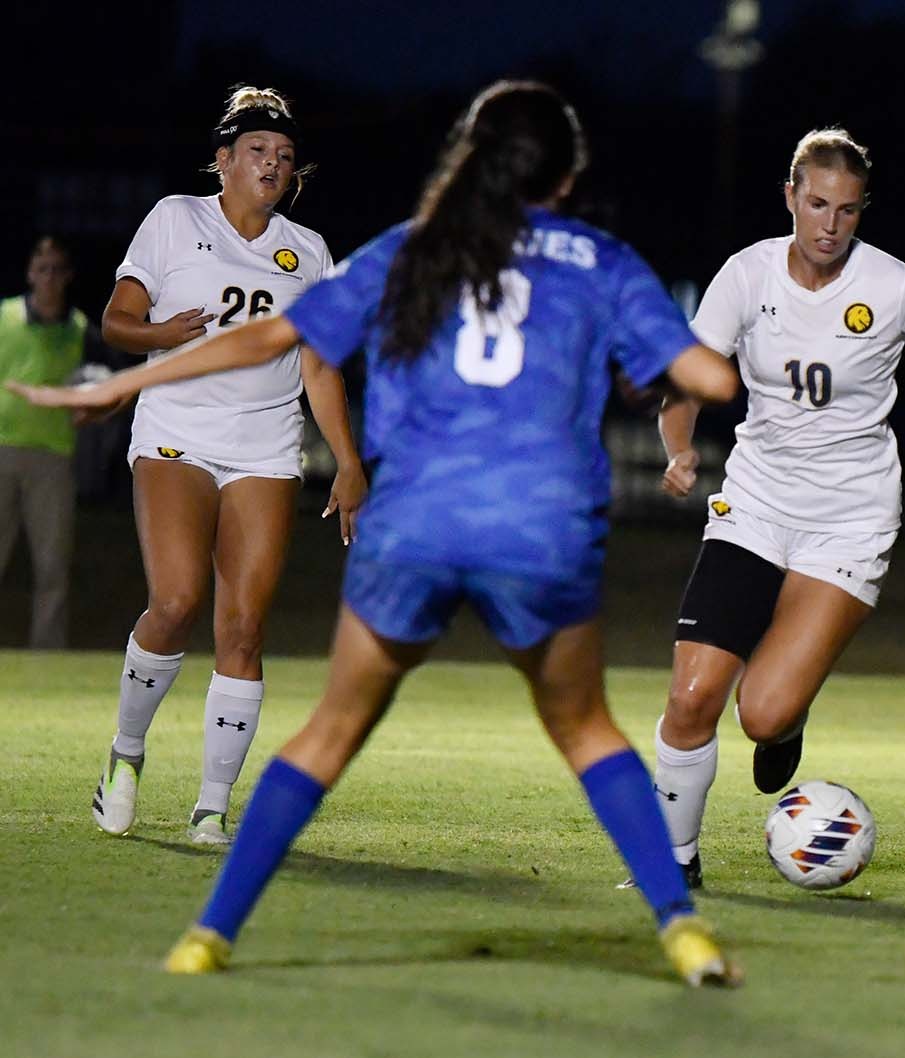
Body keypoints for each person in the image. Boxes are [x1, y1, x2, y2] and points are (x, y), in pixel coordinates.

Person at [15, 81, 745, 985]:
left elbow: (273, 338)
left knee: (327, 730)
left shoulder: (406, 249)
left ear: (468, 156)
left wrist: (115, 385)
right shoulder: (596, 260)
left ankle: (210, 935)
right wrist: (643, 367)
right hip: (538, 528)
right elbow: (708, 378)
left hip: (415, 526)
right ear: (563, 179)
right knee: (589, 729)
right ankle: (682, 928)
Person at [635, 128, 905, 889]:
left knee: (762, 715)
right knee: (692, 695)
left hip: (850, 518)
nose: (830, 224)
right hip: (757, 502)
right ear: (791, 197)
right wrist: (677, 446)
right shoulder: (747, 274)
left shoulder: (897, 287)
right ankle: (671, 865)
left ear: (863, 210)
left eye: (847, 210)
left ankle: (789, 718)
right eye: (817, 204)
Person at [90, 86, 366, 846]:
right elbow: (116, 321)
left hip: (266, 446)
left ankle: (212, 806)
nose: (271, 164)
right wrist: (161, 333)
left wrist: (348, 461)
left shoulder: (308, 253)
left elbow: (320, 367)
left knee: (243, 627)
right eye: (256, 152)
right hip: (177, 430)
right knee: (176, 601)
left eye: (282, 157)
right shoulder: (176, 218)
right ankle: (126, 753)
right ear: (222, 161)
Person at [0, 236, 87, 647]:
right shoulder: (6, 316)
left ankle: (48, 652)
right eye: (42, 268)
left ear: (68, 276)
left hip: (53, 456)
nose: (49, 278)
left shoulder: (80, 327)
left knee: (52, 564)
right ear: (29, 273)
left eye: (57, 269)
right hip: (2, 448)